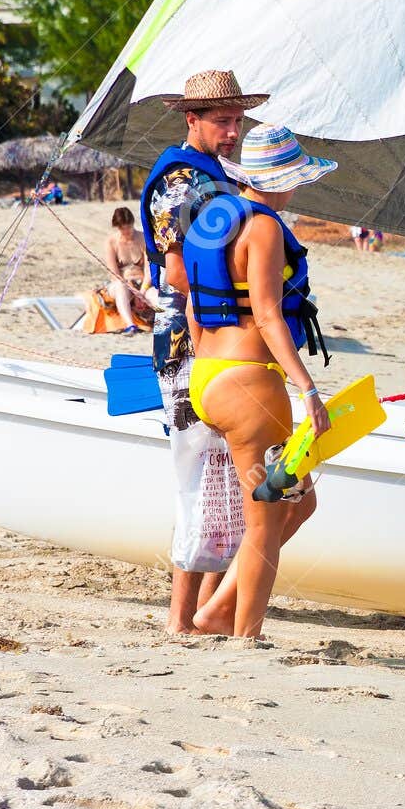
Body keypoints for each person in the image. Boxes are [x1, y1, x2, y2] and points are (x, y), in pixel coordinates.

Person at [185, 125, 335, 639]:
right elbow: (270, 316)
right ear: (285, 179)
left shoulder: (212, 216)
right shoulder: (265, 228)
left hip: (208, 375)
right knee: (265, 522)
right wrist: (308, 389)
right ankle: (245, 635)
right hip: (251, 387)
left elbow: (191, 302)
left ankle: (217, 609)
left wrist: (207, 368)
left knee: (302, 500)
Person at [139, 69, 264, 633]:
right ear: (191, 119)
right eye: (222, 121)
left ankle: (207, 614)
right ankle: (180, 619)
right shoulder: (182, 183)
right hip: (188, 345)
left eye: (238, 121)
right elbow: (178, 273)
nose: (233, 132)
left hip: (213, 339)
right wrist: (253, 295)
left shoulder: (216, 174)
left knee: (220, 478)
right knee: (198, 475)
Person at [103, 206, 155, 334]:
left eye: (129, 227)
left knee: (155, 295)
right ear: (117, 227)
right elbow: (114, 273)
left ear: (133, 223)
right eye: (122, 228)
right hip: (121, 283)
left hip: (143, 283)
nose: (126, 231)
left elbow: (149, 268)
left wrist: (142, 291)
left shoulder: (143, 238)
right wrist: (130, 287)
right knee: (121, 287)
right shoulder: (111, 242)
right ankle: (130, 325)